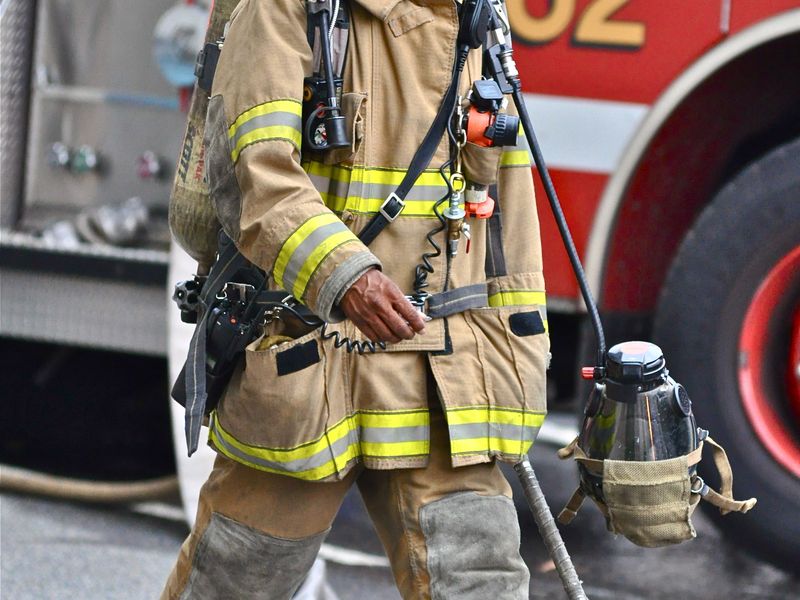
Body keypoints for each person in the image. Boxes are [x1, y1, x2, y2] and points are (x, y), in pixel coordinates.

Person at [162, 0, 549, 597]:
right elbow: (255, 175)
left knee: (479, 580)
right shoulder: (286, 8)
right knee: (238, 580)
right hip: (308, 363)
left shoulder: (478, 17)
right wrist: (344, 275)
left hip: (441, 378)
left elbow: (507, 215)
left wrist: (518, 352)